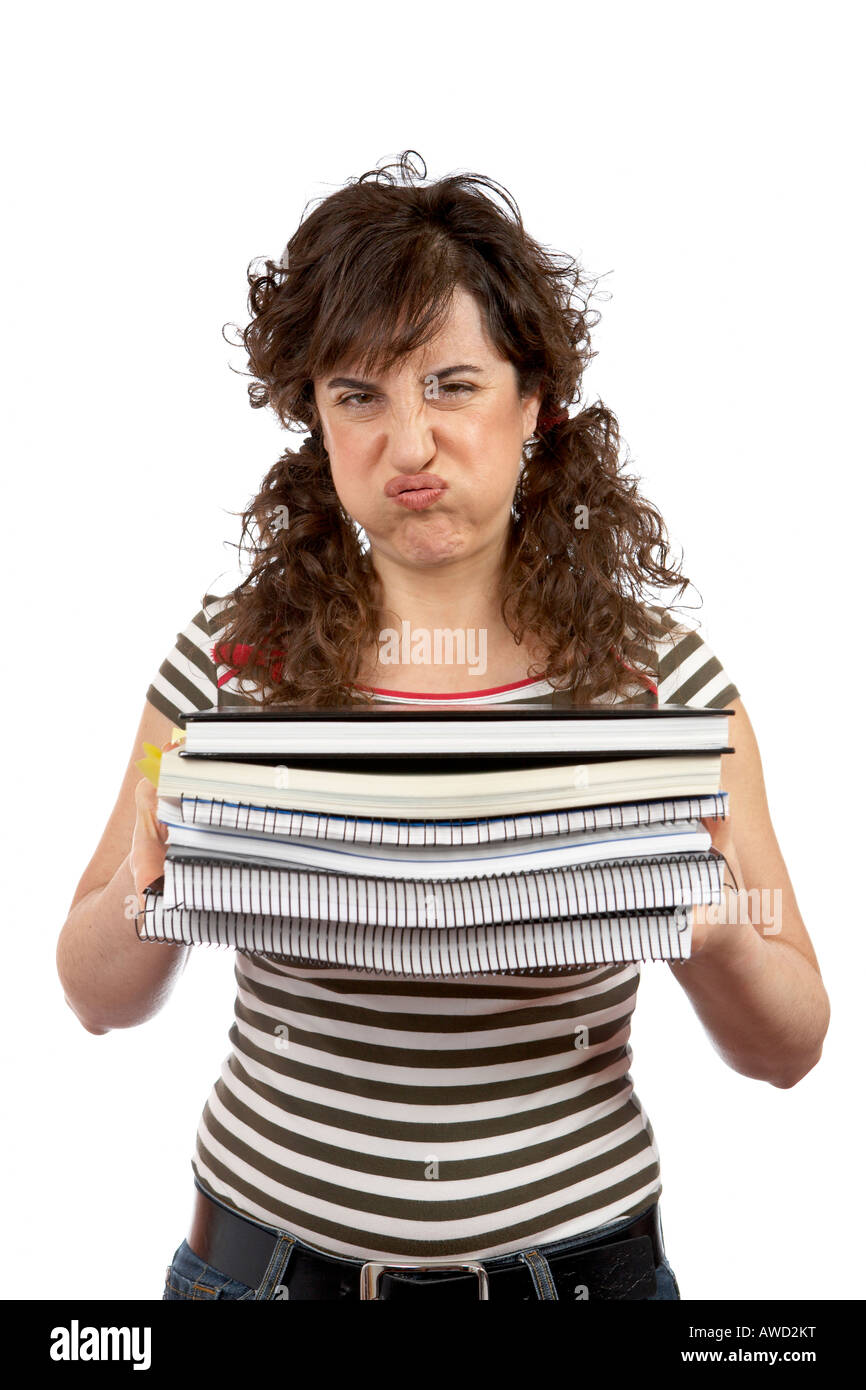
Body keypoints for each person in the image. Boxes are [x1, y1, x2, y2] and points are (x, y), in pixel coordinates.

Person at [56, 151, 830, 1302]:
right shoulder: (225, 667)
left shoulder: (663, 686)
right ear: (315, 420)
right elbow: (94, 992)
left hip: (575, 1278)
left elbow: (788, 1047)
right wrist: (147, 883)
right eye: (357, 396)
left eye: (452, 386)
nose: (406, 446)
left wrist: (714, 934)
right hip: (262, 1276)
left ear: (534, 404)